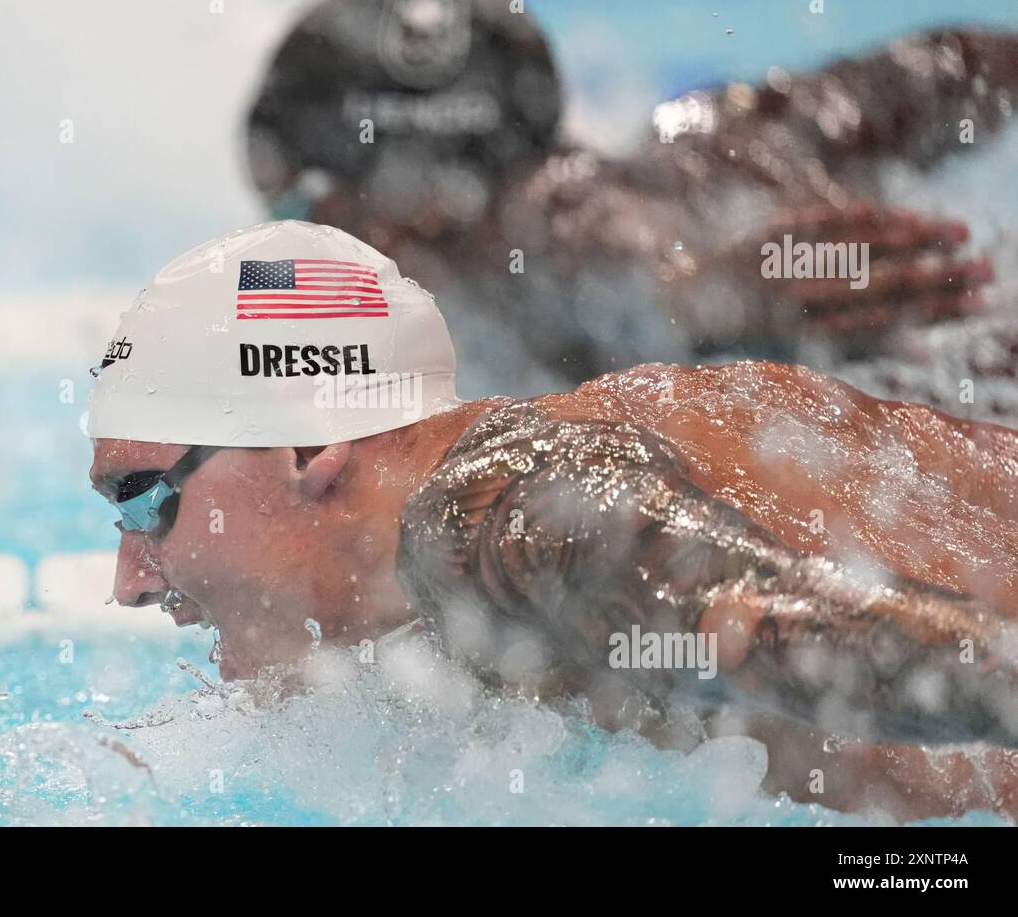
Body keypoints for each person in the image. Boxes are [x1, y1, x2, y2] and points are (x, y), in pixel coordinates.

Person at [87, 220, 1018, 821]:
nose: (128, 579)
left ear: (306, 449)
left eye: (145, 501)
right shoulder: (419, 615)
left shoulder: (496, 509)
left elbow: (758, 616)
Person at [246, 0, 1017, 411]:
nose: (298, 247)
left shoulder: (547, 241)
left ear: (415, 202)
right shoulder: (716, 140)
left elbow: (614, 263)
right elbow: (949, 67)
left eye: (298, 209)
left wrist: (713, 295)